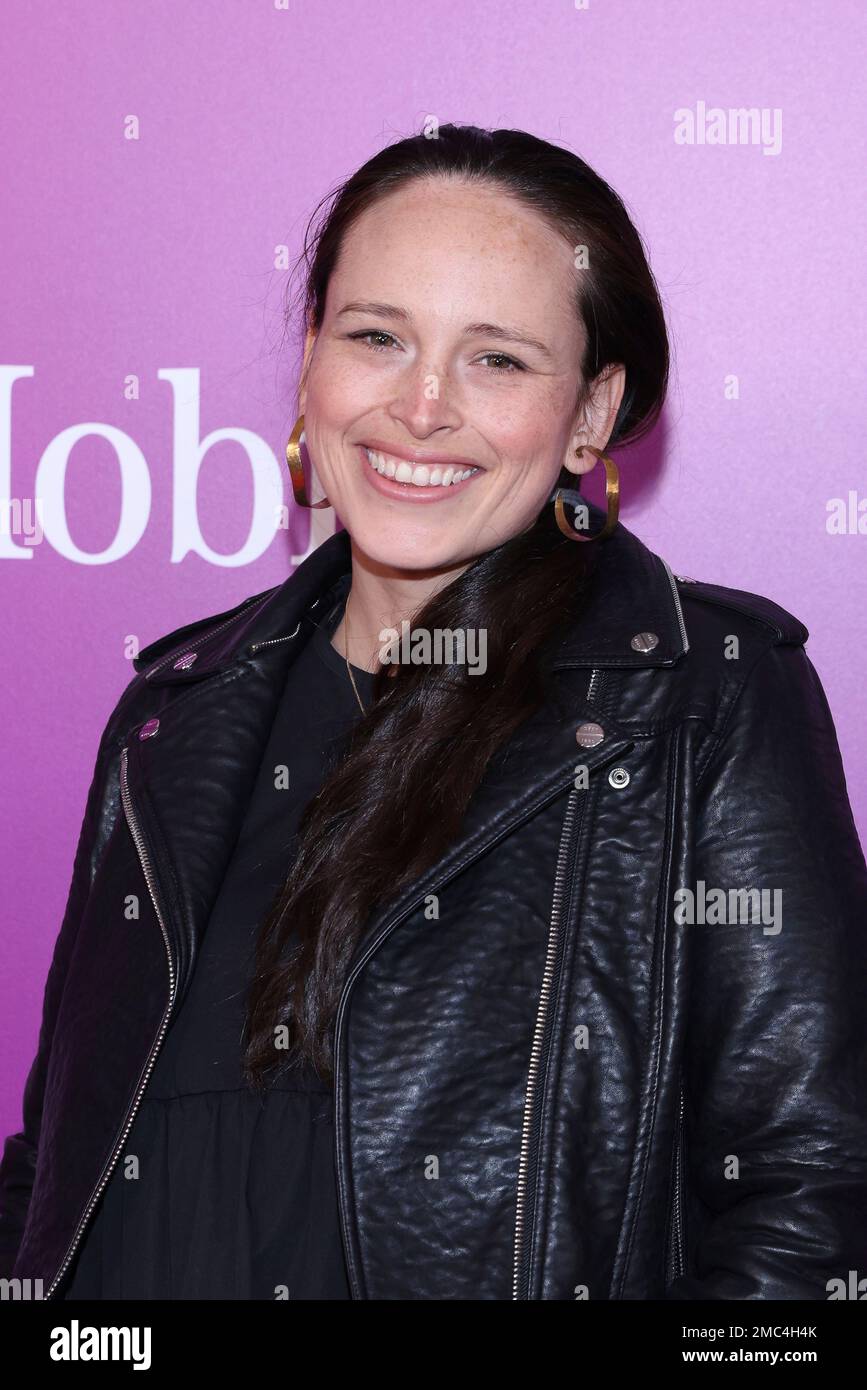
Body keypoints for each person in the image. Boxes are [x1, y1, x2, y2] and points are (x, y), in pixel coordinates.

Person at [1, 123, 866, 1302]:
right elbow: (50, 1168)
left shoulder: (705, 691)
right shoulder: (173, 713)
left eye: (497, 360)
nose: (420, 407)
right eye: (376, 337)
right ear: (311, 361)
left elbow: (810, 1191)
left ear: (591, 411)